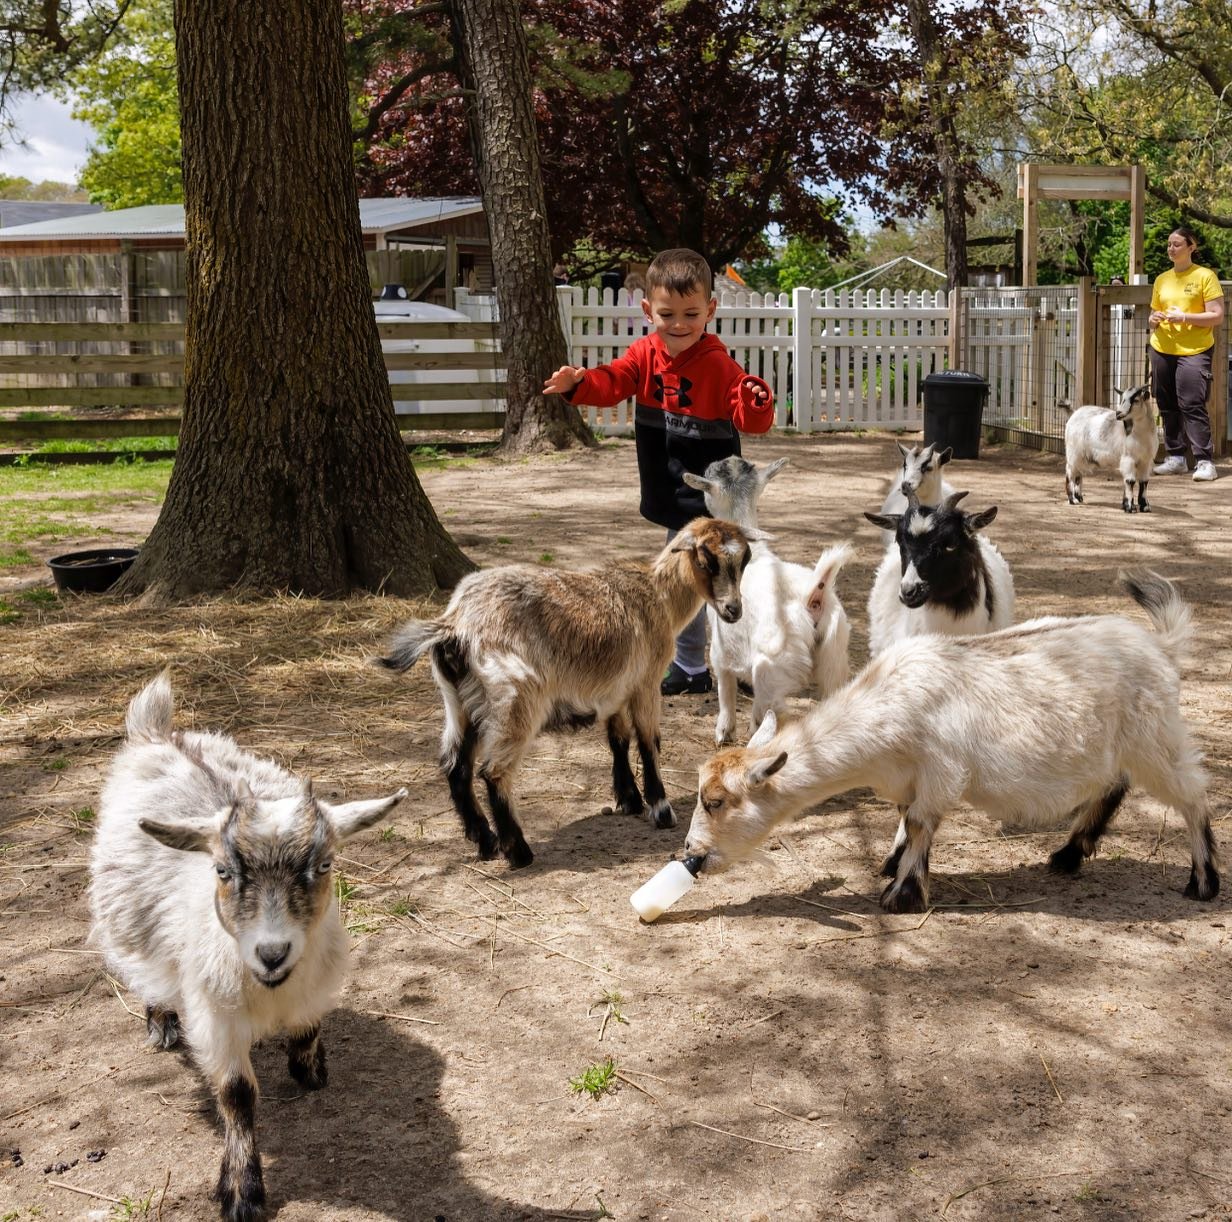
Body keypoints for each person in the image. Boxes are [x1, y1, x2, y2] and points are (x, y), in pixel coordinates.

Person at [543, 247, 774, 695]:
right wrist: (578, 383)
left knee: (729, 577)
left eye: (691, 313)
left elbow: (751, 420)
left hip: (715, 497)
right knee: (686, 582)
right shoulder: (644, 354)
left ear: (710, 309)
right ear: (648, 310)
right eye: (668, 313)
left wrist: (755, 400)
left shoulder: (720, 365)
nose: (680, 324)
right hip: (671, 484)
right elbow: (613, 381)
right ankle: (691, 665)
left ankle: (740, 663)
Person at [1148, 227, 1224, 482]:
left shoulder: (1205, 276)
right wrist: (1154, 318)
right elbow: (1153, 315)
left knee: (1192, 403)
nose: (1171, 248)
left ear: (1192, 247)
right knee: (1166, 404)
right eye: (1169, 244)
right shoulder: (1161, 279)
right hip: (1162, 348)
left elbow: (1217, 315)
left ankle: (1204, 461)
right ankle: (1175, 458)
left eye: (1177, 244)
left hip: (1195, 350)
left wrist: (1185, 316)